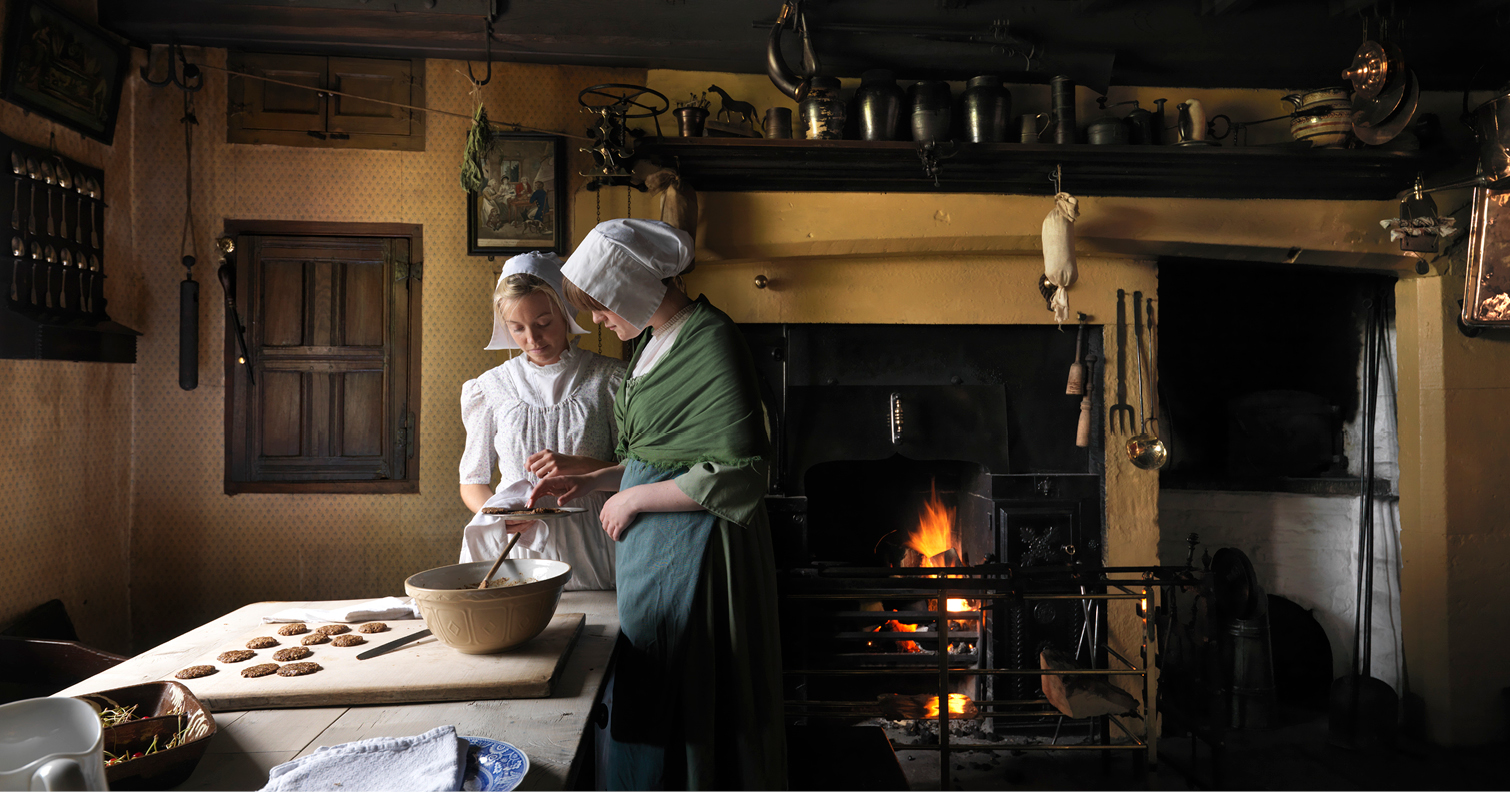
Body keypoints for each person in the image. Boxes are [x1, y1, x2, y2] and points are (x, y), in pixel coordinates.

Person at [531, 219, 787, 789]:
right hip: (652, 551)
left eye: (600, 306)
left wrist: (636, 498)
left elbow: (741, 471)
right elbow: (658, 457)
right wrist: (595, 480)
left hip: (703, 552)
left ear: (628, 283)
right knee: (649, 688)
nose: (598, 320)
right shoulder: (650, 342)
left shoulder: (711, 339)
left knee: (692, 695)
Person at [458, 252, 624, 590]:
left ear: (566, 312)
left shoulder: (610, 380)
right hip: (516, 548)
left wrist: (581, 467)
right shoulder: (489, 388)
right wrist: (499, 517)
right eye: (517, 328)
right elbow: (472, 481)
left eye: (544, 323)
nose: (532, 339)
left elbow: (638, 473)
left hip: (593, 543)